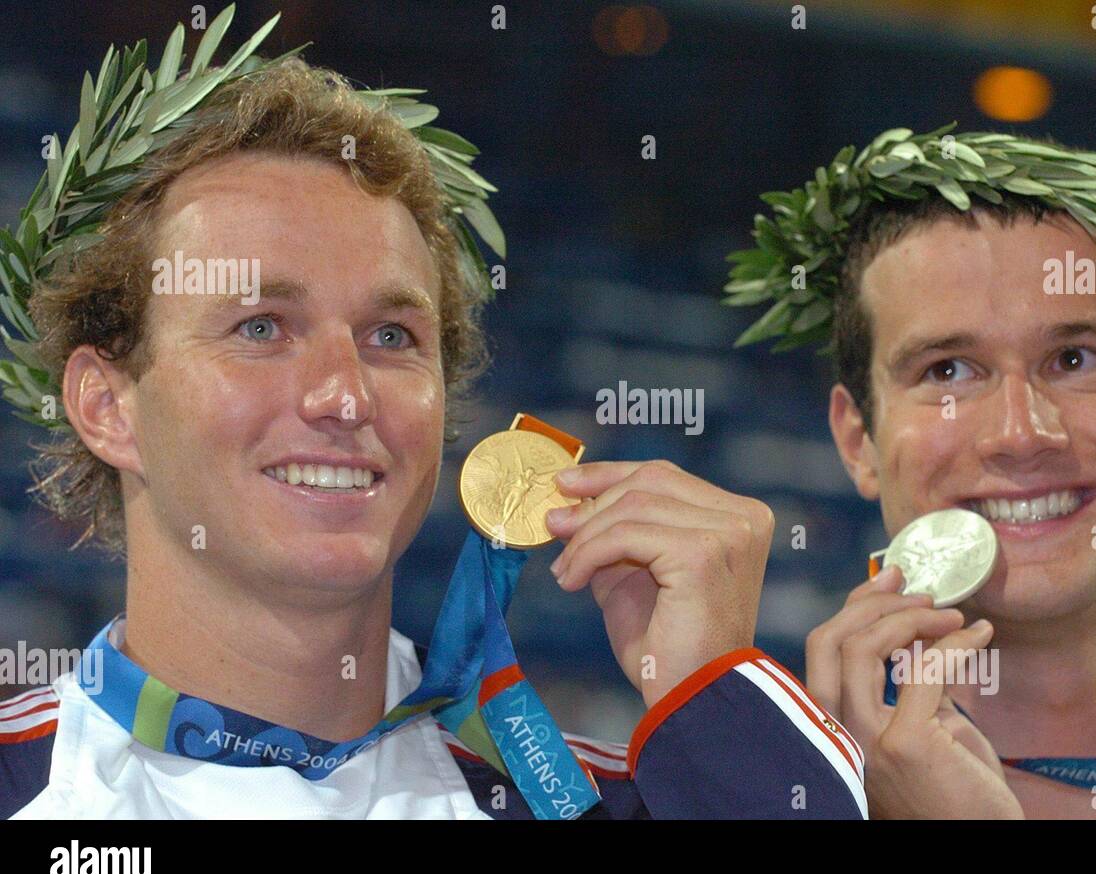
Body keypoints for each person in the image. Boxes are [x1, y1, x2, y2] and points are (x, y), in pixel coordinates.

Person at [0, 10, 865, 820]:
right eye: (260, 327)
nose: (344, 395)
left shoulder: (586, 803)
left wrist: (710, 691)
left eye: (390, 335)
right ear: (106, 406)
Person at [723, 125, 1096, 819]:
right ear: (858, 442)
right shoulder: (766, 801)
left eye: (1076, 359)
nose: (1022, 434)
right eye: (949, 371)